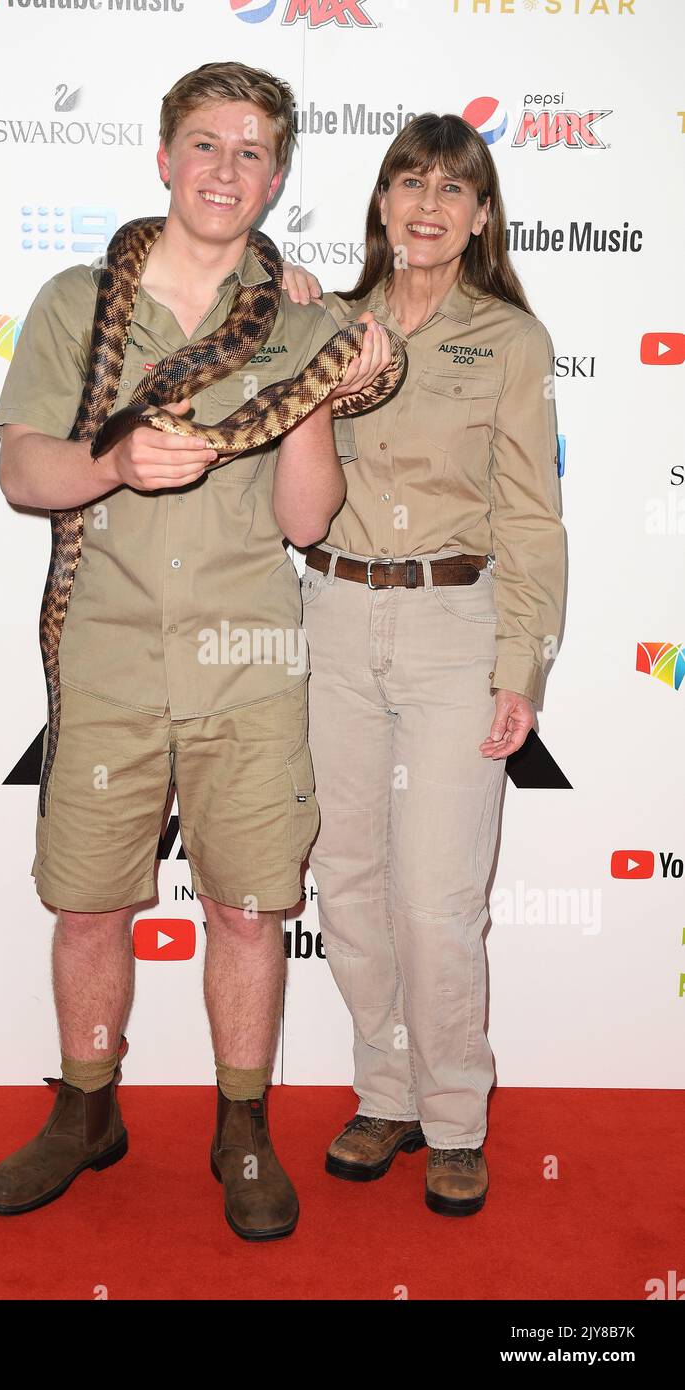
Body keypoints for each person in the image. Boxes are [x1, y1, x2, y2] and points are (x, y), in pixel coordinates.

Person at [0, 60, 391, 1241]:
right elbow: (22, 472)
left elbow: (305, 523)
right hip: (107, 654)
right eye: (204, 143)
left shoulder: (307, 319)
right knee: (91, 904)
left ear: (275, 178)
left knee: (250, 907)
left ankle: (242, 1124)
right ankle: (85, 1107)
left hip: (248, 661)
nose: (225, 167)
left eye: (251, 150)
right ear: (164, 158)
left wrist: (316, 390)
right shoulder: (74, 299)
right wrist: (107, 463)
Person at [282, 113, 566, 1215]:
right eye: (410, 181)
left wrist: (521, 668)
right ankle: (384, 1090)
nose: (429, 203)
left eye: (454, 187)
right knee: (347, 883)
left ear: (481, 215)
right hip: (335, 618)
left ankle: (452, 1115)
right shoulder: (328, 325)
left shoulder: (508, 340)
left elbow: (532, 519)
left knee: (437, 897)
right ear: (382, 201)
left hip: (455, 624)